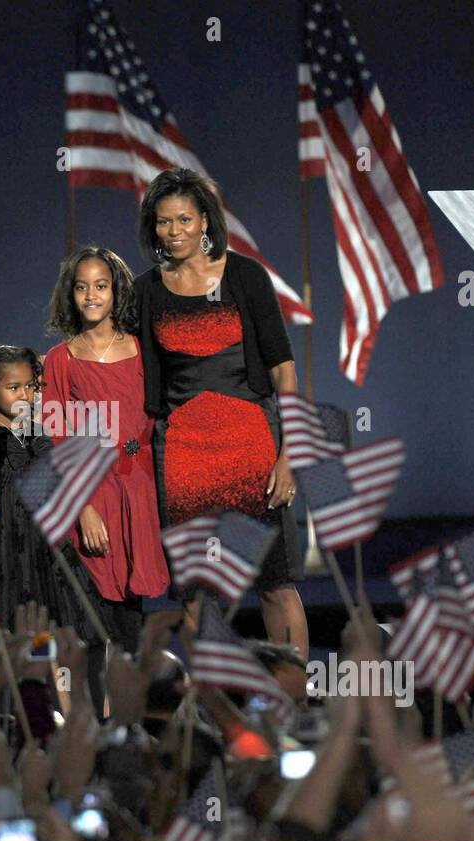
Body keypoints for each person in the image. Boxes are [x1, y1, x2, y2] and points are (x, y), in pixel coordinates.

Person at [132, 167, 309, 657]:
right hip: (184, 457)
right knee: (196, 594)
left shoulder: (246, 276)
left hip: (252, 448)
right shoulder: (146, 290)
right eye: (164, 223)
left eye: (185, 220)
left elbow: (285, 372)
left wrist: (289, 455)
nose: (175, 232)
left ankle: (293, 707)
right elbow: (127, 363)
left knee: (274, 583)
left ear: (206, 220)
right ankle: (210, 712)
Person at [40, 246, 170, 668]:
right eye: (82, 287)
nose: (91, 295)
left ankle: (129, 727)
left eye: (101, 286)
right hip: (92, 498)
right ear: (70, 294)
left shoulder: (142, 351)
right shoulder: (61, 361)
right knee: (93, 629)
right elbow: (56, 442)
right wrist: (84, 510)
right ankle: (93, 726)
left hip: (139, 495)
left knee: (131, 625)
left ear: (116, 291)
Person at [0, 345, 107, 699]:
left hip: (45, 549)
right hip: (3, 551)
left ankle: (71, 715)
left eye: (31, 387)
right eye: (13, 388)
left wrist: (85, 509)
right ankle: (19, 713)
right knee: (16, 633)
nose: (25, 396)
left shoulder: (36, 432)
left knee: (62, 631)